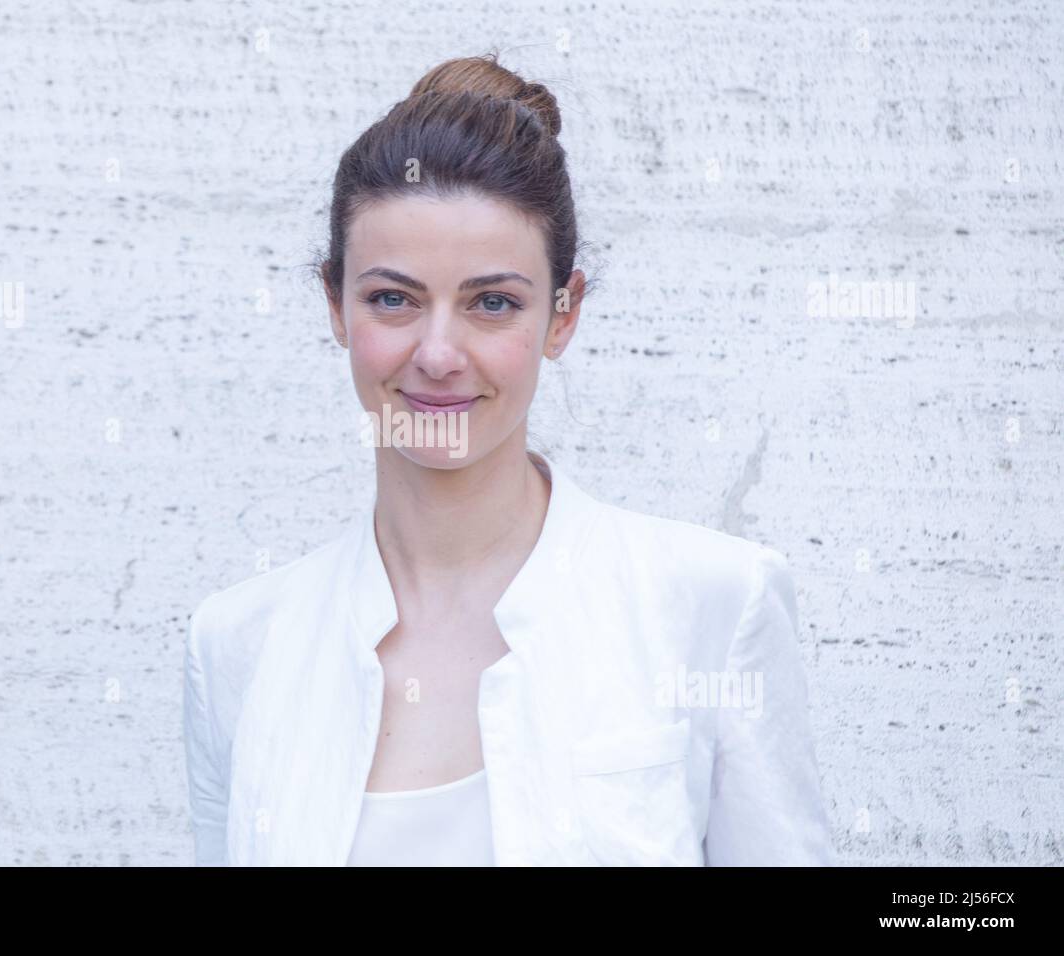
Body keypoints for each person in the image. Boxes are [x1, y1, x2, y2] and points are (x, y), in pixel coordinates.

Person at [184, 52, 836, 866]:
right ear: (335, 305)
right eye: (393, 298)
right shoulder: (239, 643)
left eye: (493, 303)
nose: (438, 353)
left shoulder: (713, 603)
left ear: (564, 316)